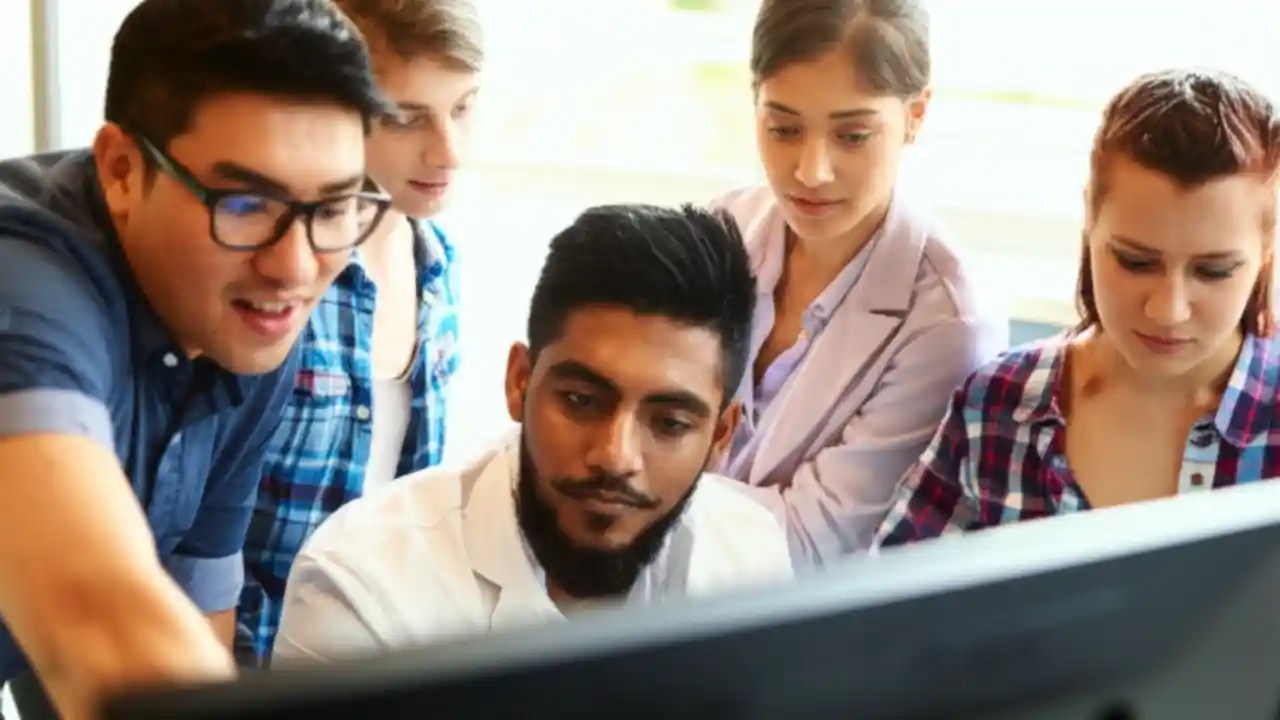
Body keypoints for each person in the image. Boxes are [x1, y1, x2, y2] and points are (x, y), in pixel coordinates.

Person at [0, 0, 389, 716]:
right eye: (244, 204)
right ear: (122, 170)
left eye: (333, 210)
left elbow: (196, 623)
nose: (294, 268)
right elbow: (99, 619)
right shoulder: (24, 286)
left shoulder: (247, 324)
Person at [272, 204, 793, 663]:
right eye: (581, 401)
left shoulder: (749, 559)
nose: (615, 456)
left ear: (721, 436)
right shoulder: (363, 584)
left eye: (670, 424)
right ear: (519, 382)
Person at [874, 68, 1280, 547]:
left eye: (1214, 271)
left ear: (1266, 248)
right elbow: (894, 589)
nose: (1167, 310)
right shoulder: (998, 407)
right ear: (1089, 216)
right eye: (1135, 261)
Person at [709, 0, 1007, 566]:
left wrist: (648, 495)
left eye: (852, 136)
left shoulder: (947, 323)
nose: (811, 171)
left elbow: (805, 546)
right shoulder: (720, 228)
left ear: (915, 115)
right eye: (783, 128)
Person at [237, 0, 482, 669]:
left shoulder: (438, 265)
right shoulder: (276, 279)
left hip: (374, 667)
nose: (449, 151)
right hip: (251, 672)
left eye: (463, 108)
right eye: (407, 117)